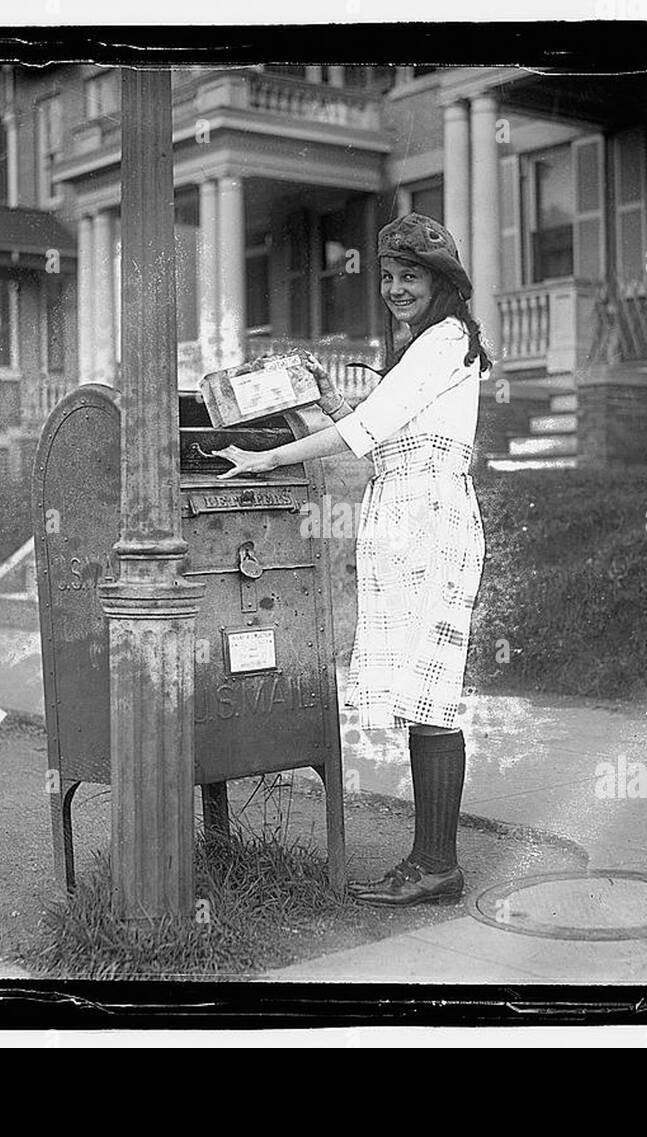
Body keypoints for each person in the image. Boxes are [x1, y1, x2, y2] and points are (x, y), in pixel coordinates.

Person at [213, 212, 489, 907]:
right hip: (406, 512)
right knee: (424, 694)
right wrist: (326, 393)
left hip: (429, 518)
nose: (396, 288)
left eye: (411, 276)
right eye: (389, 277)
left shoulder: (445, 340)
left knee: (434, 694)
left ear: (441, 282)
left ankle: (437, 864)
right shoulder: (426, 345)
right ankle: (432, 860)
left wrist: (264, 455)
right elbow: (376, 432)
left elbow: (363, 430)